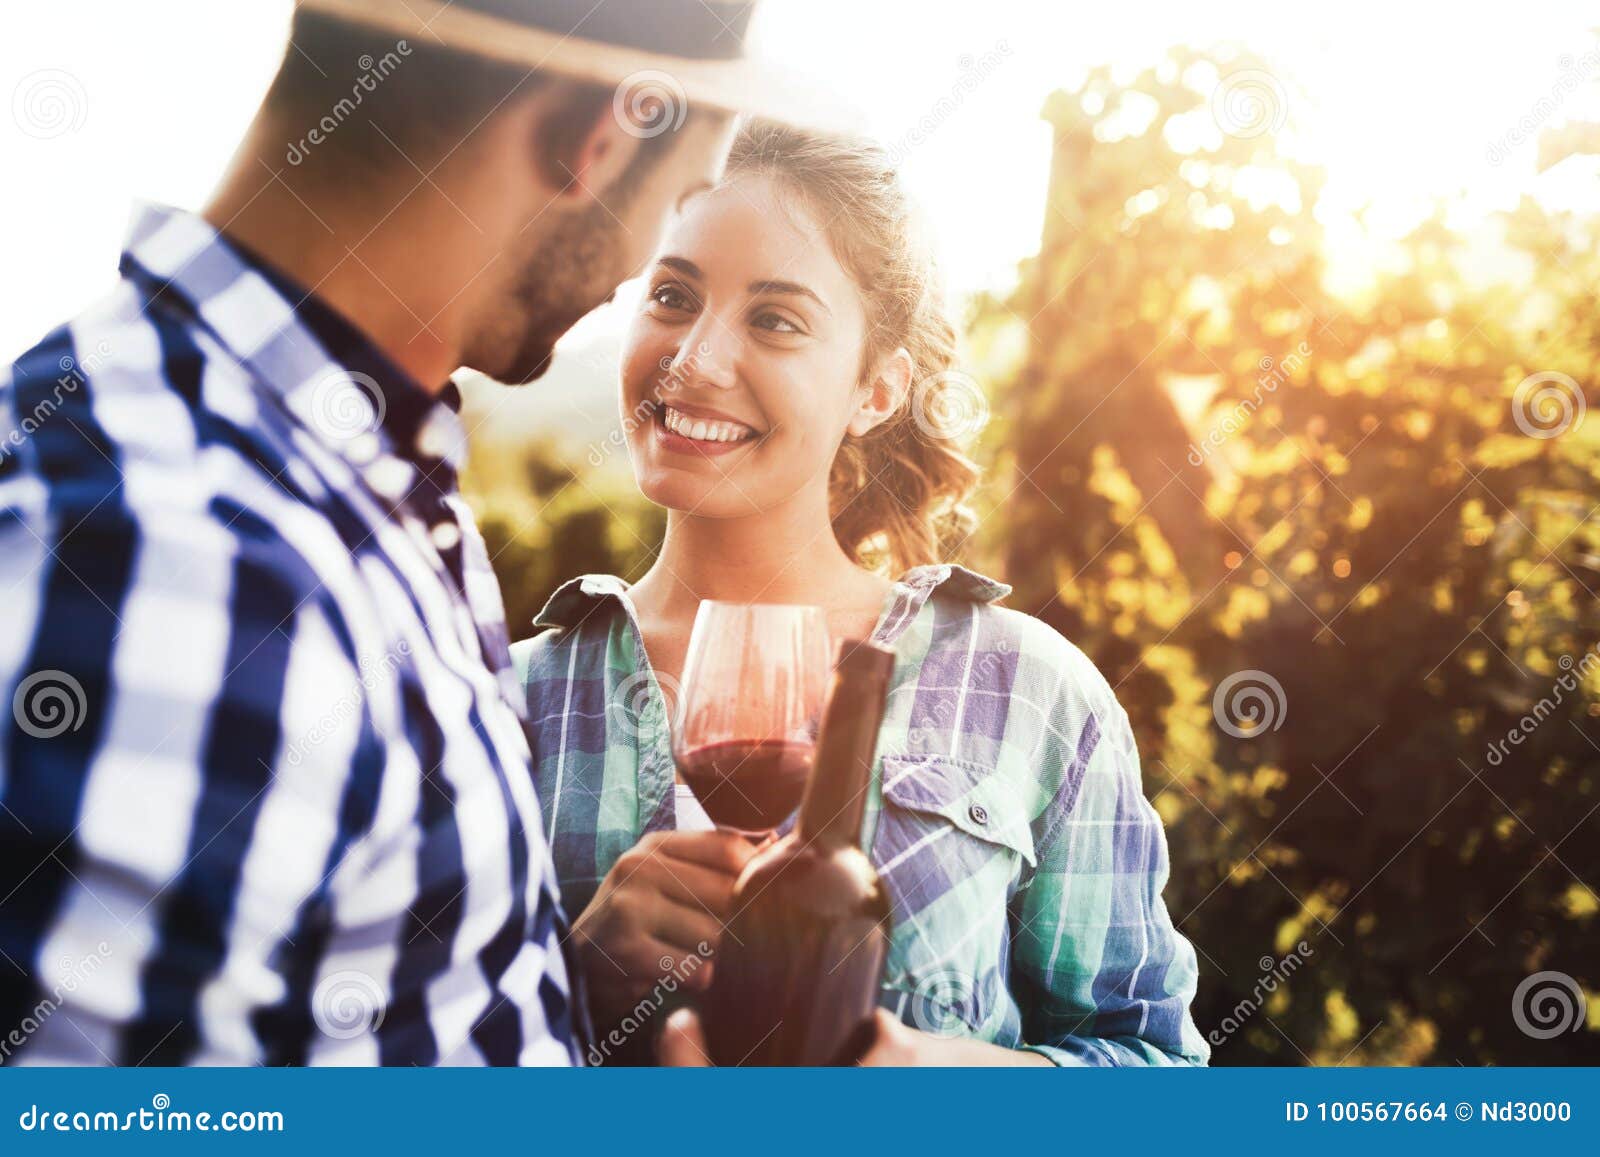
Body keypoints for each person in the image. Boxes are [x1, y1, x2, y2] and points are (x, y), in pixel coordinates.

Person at [0, 0, 796, 1065]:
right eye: (680, 196)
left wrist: (564, 987)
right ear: (596, 138)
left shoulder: (346, 459)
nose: (635, 272)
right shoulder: (189, 560)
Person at [514, 121, 1211, 1066]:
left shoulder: (1030, 689)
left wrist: (934, 1076)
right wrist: (565, 985)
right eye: (673, 296)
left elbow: (1157, 1067)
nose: (694, 360)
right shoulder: (499, 700)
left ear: (877, 390)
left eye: (776, 320)